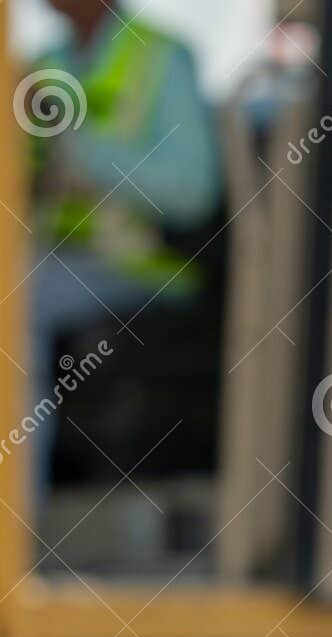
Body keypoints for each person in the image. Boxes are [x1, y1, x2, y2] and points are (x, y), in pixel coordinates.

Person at [20, 0, 221, 500]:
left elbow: (193, 192)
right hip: (54, 258)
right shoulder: (41, 66)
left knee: (16, 307)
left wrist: (85, 155)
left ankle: (17, 513)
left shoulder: (163, 58)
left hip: (145, 266)